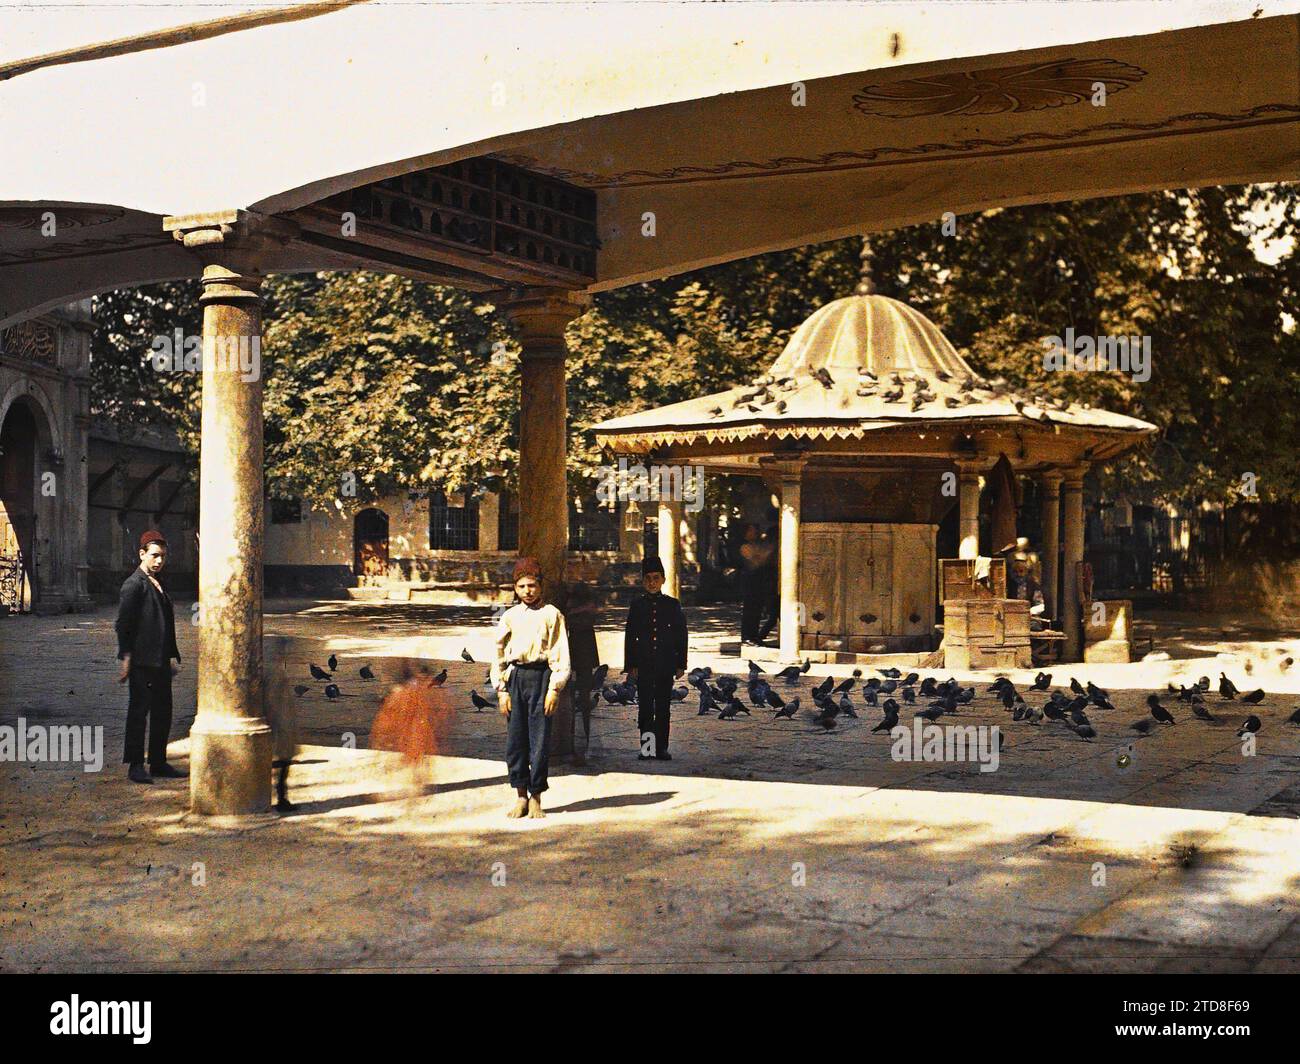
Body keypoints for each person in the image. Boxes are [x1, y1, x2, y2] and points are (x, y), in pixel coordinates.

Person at [490, 557, 571, 819]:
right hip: (516, 680)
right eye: (522, 586)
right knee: (516, 741)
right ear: (515, 588)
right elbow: (499, 653)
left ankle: (536, 797)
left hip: (542, 679)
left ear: (541, 586)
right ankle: (520, 795)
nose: (528, 591)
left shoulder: (552, 614)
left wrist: (555, 688)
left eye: (533, 585)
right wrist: (501, 689)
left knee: (539, 739)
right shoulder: (510, 616)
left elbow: (560, 652)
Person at [114, 529, 184, 784]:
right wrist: (126, 656)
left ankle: (158, 762)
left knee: (163, 710)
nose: (159, 561)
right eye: (154, 555)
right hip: (142, 661)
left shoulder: (158, 582)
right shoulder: (134, 584)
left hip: (160, 659)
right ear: (142, 554)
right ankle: (135, 765)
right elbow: (123, 623)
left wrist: (170, 655)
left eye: (163, 556)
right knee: (139, 711)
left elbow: (162, 620)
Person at [624, 555, 688, 760]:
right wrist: (631, 664)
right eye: (648, 578)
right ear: (643, 581)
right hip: (643, 665)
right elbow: (630, 636)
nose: (652, 582)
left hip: (664, 664)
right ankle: (647, 748)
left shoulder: (672, 605)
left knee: (662, 707)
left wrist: (680, 664)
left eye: (656, 578)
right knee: (645, 707)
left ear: (663, 580)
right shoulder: (637, 605)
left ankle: (661, 748)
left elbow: (681, 636)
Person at [562, 580, 601, 766]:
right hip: (579, 648)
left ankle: (581, 747)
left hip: (582, 649)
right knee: (578, 698)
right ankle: (577, 745)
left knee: (581, 698)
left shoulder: (580, 610)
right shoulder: (584, 608)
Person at [738, 523, 775, 645]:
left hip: (759, 582)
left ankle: (754, 636)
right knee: (750, 610)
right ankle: (747, 637)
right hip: (749, 582)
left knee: (757, 611)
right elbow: (755, 562)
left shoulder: (756, 545)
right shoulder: (745, 546)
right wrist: (767, 553)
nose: (756, 533)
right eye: (753, 531)